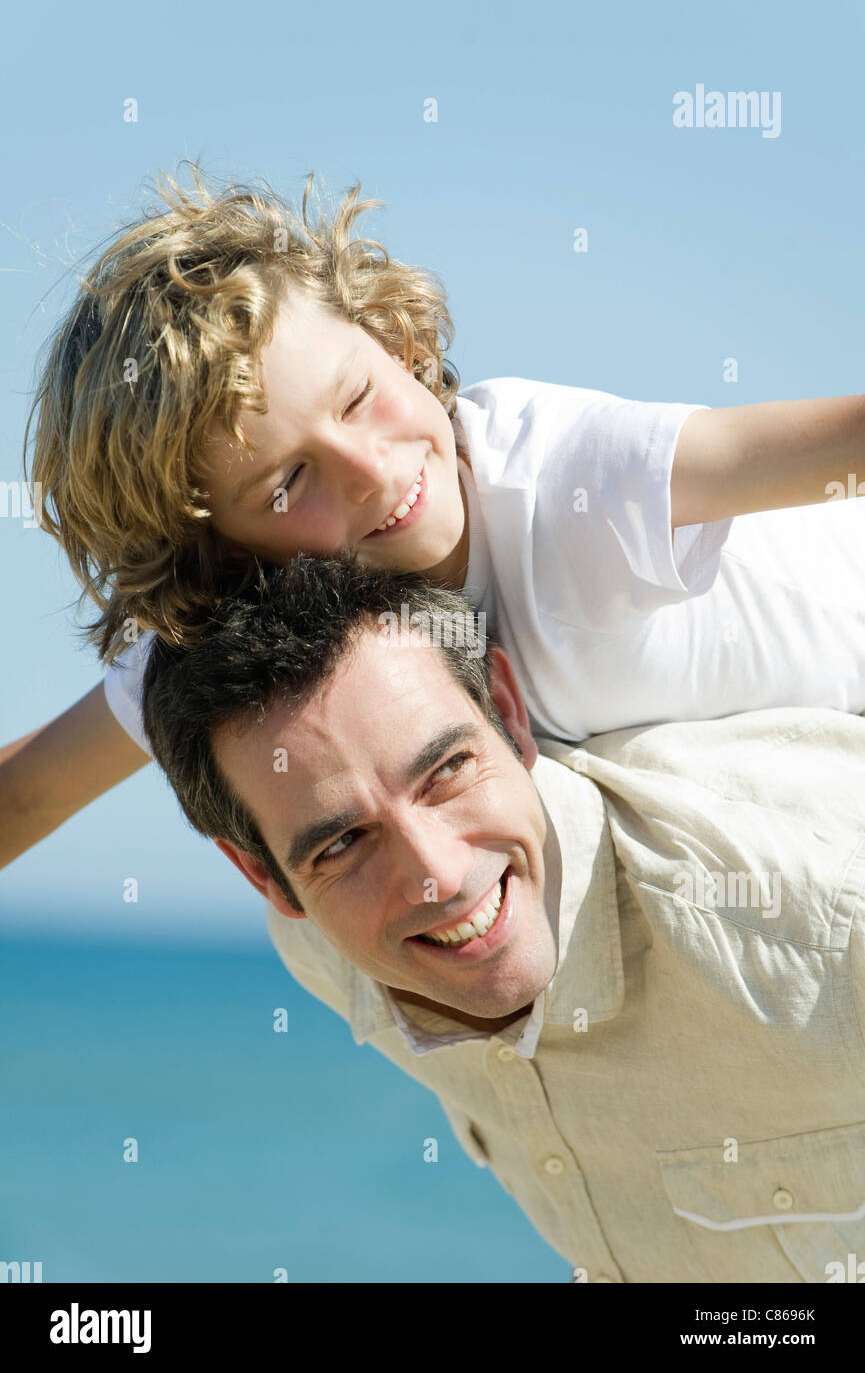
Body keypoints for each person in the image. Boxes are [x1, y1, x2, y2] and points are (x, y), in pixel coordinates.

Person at [4, 160, 865, 868]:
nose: (371, 470)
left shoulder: (566, 478)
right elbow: (32, 789)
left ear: (392, 342)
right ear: (222, 557)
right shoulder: (248, 622)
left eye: (356, 398)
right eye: (286, 483)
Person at [139, 554, 865, 1285]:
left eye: (446, 769)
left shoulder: (815, 916)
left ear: (508, 715)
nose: (439, 877)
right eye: (344, 841)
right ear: (266, 876)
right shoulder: (325, 951)